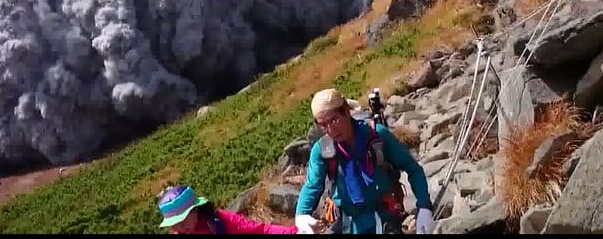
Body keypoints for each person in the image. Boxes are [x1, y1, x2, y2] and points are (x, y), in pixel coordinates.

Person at [295, 88, 434, 235]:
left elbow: (413, 169)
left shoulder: (377, 136)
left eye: (334, 120)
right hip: (347, 224)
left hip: (384, 218)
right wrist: (301, 214)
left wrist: (424, 207)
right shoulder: (322, 150)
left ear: (346, 112)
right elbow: (312, 185)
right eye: (323, 125)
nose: (331, 129)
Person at [158, 185, 298, 234]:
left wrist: (296, 232)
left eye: (183, 220)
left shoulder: (218, 221)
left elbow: (260, 230)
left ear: (195, 210)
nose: (181, 227)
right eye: (175, 224)